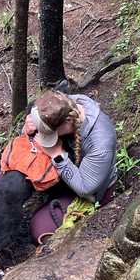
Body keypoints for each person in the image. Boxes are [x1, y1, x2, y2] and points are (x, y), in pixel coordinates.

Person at [22, 89, 117, 242]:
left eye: (50, 134)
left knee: (39, 227)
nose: (45, 137)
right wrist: (29, 128)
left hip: (89, 191)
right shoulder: (61, 104)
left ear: (68, 121)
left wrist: (57, 155)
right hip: (68, 169)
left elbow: (85, 188)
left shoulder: (101, 143)